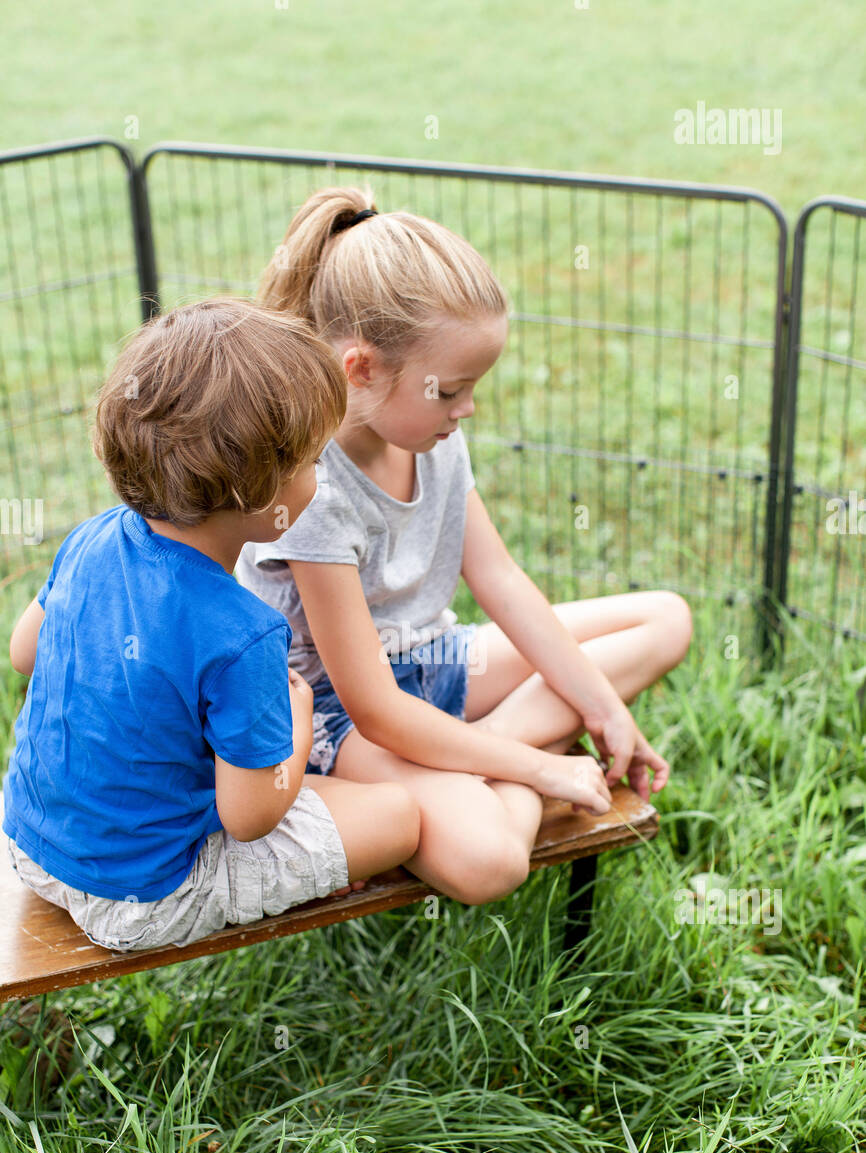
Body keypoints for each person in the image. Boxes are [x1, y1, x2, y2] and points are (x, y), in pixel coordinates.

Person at [236, 190, 693, 906]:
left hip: (433, 660)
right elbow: (373, 706)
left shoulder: (432, 433)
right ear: (360, 369)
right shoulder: (312, 487)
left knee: (665, 619)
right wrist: (536, 767)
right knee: (491, 863)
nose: (468, 408)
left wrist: (603, 709)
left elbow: (500, 580)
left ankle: (476, 758)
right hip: (340, 717)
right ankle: (500, 758)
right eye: (450, 390)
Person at [3, 298, 420, 952]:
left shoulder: (91, 539)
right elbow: (249, 817)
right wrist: (299, 722)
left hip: (29, 845)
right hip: (146, 899)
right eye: (312, 462)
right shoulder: (243, 633)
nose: (320, 476)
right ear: (260, 492)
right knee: (399, 816)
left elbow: (24, 651)